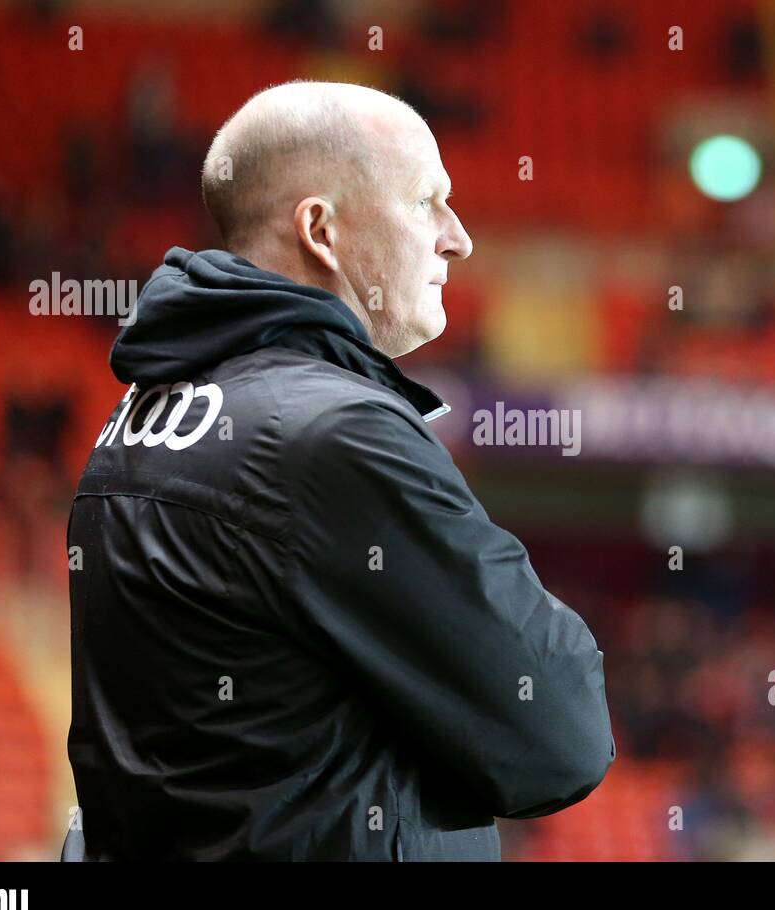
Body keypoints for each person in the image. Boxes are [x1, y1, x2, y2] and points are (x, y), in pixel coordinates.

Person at [63, 81, 615, 861]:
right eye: (428, 203)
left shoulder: (139, 415)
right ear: (320, 229)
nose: (457, 239)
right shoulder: (336, 433)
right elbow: (561, 737)